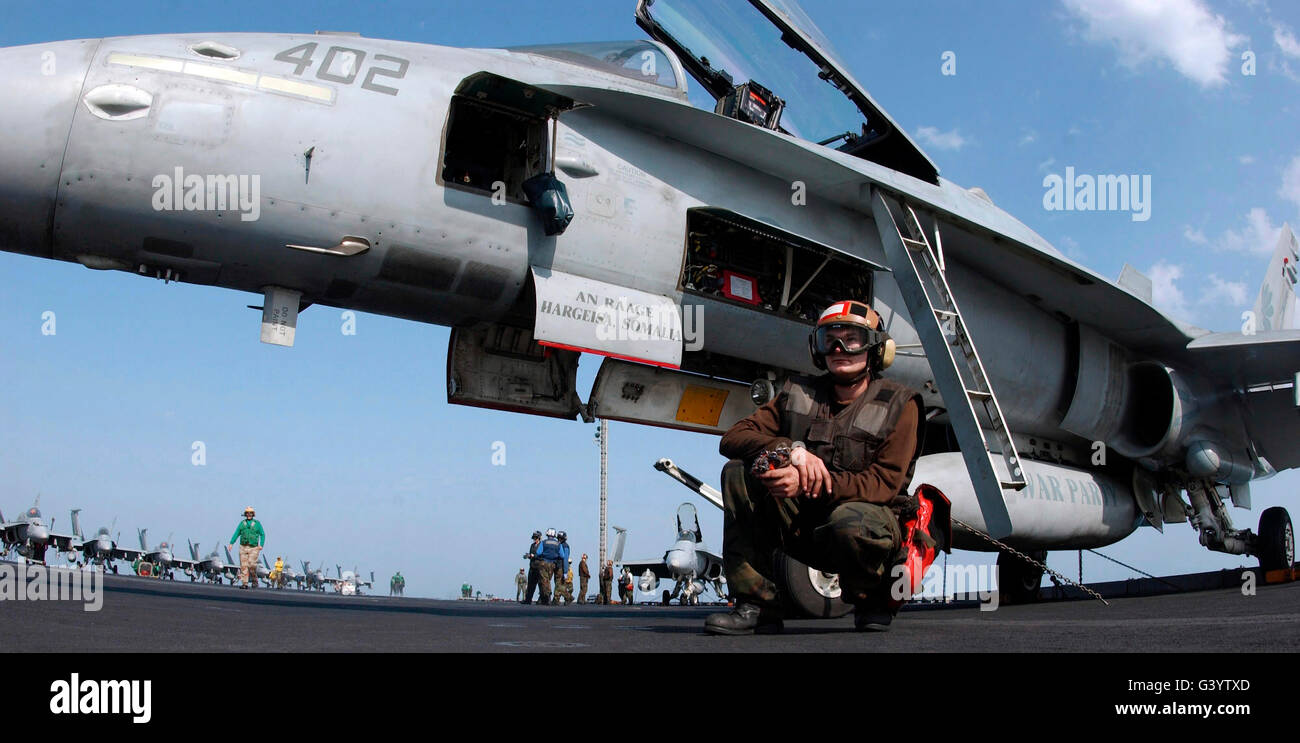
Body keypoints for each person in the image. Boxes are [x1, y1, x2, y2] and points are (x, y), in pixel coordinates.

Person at [704, 300, 922, 635]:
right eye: (829, 339)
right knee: (738, 471)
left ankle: (870, 596)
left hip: (865, 529)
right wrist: (791, 451)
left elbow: (883, 483)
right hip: (807, 526)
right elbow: (733, 438)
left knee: (848, 521)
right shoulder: (798, 392)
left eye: (853, 339)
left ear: (877, 349)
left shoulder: (899, 404)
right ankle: (757, 604)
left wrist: (806, 483)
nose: (839, 348)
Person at [229, 506, 266, 589]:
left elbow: (262, 534)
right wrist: (231, 543)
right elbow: (237, 533)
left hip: (254, 547)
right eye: (247, 513)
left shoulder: (257, 524)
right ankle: (244, 583)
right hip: (243, 547)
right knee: (243, 565)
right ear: (245, 514)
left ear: (253, 514)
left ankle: (254, 580)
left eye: (250, 513)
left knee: (251, 565)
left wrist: (261, 544)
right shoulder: (242, 523)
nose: (249, 514)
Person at [534, 529, 562, 605]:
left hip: (544, 563)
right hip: (553, 564)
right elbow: (562, 555)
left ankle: (547, 595)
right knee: (548, 580)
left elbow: (538, 552)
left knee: (544, 580)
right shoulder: (558, 544)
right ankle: (546, 596)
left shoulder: (544, 542)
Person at [522, 531, 542, 604]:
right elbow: (531, 555)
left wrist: (534, 556)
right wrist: (528, 556)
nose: (535, 539)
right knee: (530, 584)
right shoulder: (532, 545)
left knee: (541, 585)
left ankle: (541, 600)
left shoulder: (542, 545)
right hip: (532, 567)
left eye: (536, 537)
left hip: (539, 567)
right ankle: (528, 599)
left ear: (539, 538)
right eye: (534, 538)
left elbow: (542, 556)